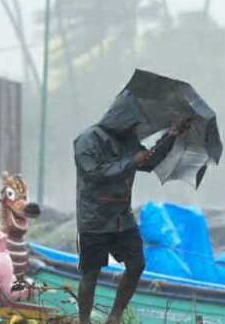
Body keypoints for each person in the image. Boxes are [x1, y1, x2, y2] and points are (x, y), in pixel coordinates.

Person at [73, 90, 190, 324]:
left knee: (137, 265)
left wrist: (171, 134)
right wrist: (130, 161)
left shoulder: (128, 140)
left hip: (121, 218)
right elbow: (93, 173)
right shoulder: (87, 139)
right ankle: (83, 320)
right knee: (90, 274)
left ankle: (114, 316)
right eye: (132, 121)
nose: (135, 126)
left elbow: (149, 161)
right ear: (120, 116)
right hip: (94, 219)